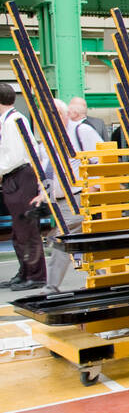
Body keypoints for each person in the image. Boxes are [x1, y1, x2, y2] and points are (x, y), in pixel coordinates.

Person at [39, 98, 97, 293]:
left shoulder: (82, 131)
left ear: (64, 114)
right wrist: (44, 194)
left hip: (79, 197)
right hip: (60, 200)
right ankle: (101, 279)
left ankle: (51, 286)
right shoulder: (49, 137)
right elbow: (48, 169)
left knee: (62, 239)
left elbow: (101, 158)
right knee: (84, 242)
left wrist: (94, 189)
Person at [0, 83, 46, 290]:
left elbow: (16, 156)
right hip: (14, 177)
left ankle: (36, 276)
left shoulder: (14, 121)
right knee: (19, 230)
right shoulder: (8, 121)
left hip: (20, 176)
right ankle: (25, 271)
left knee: (27, 228)